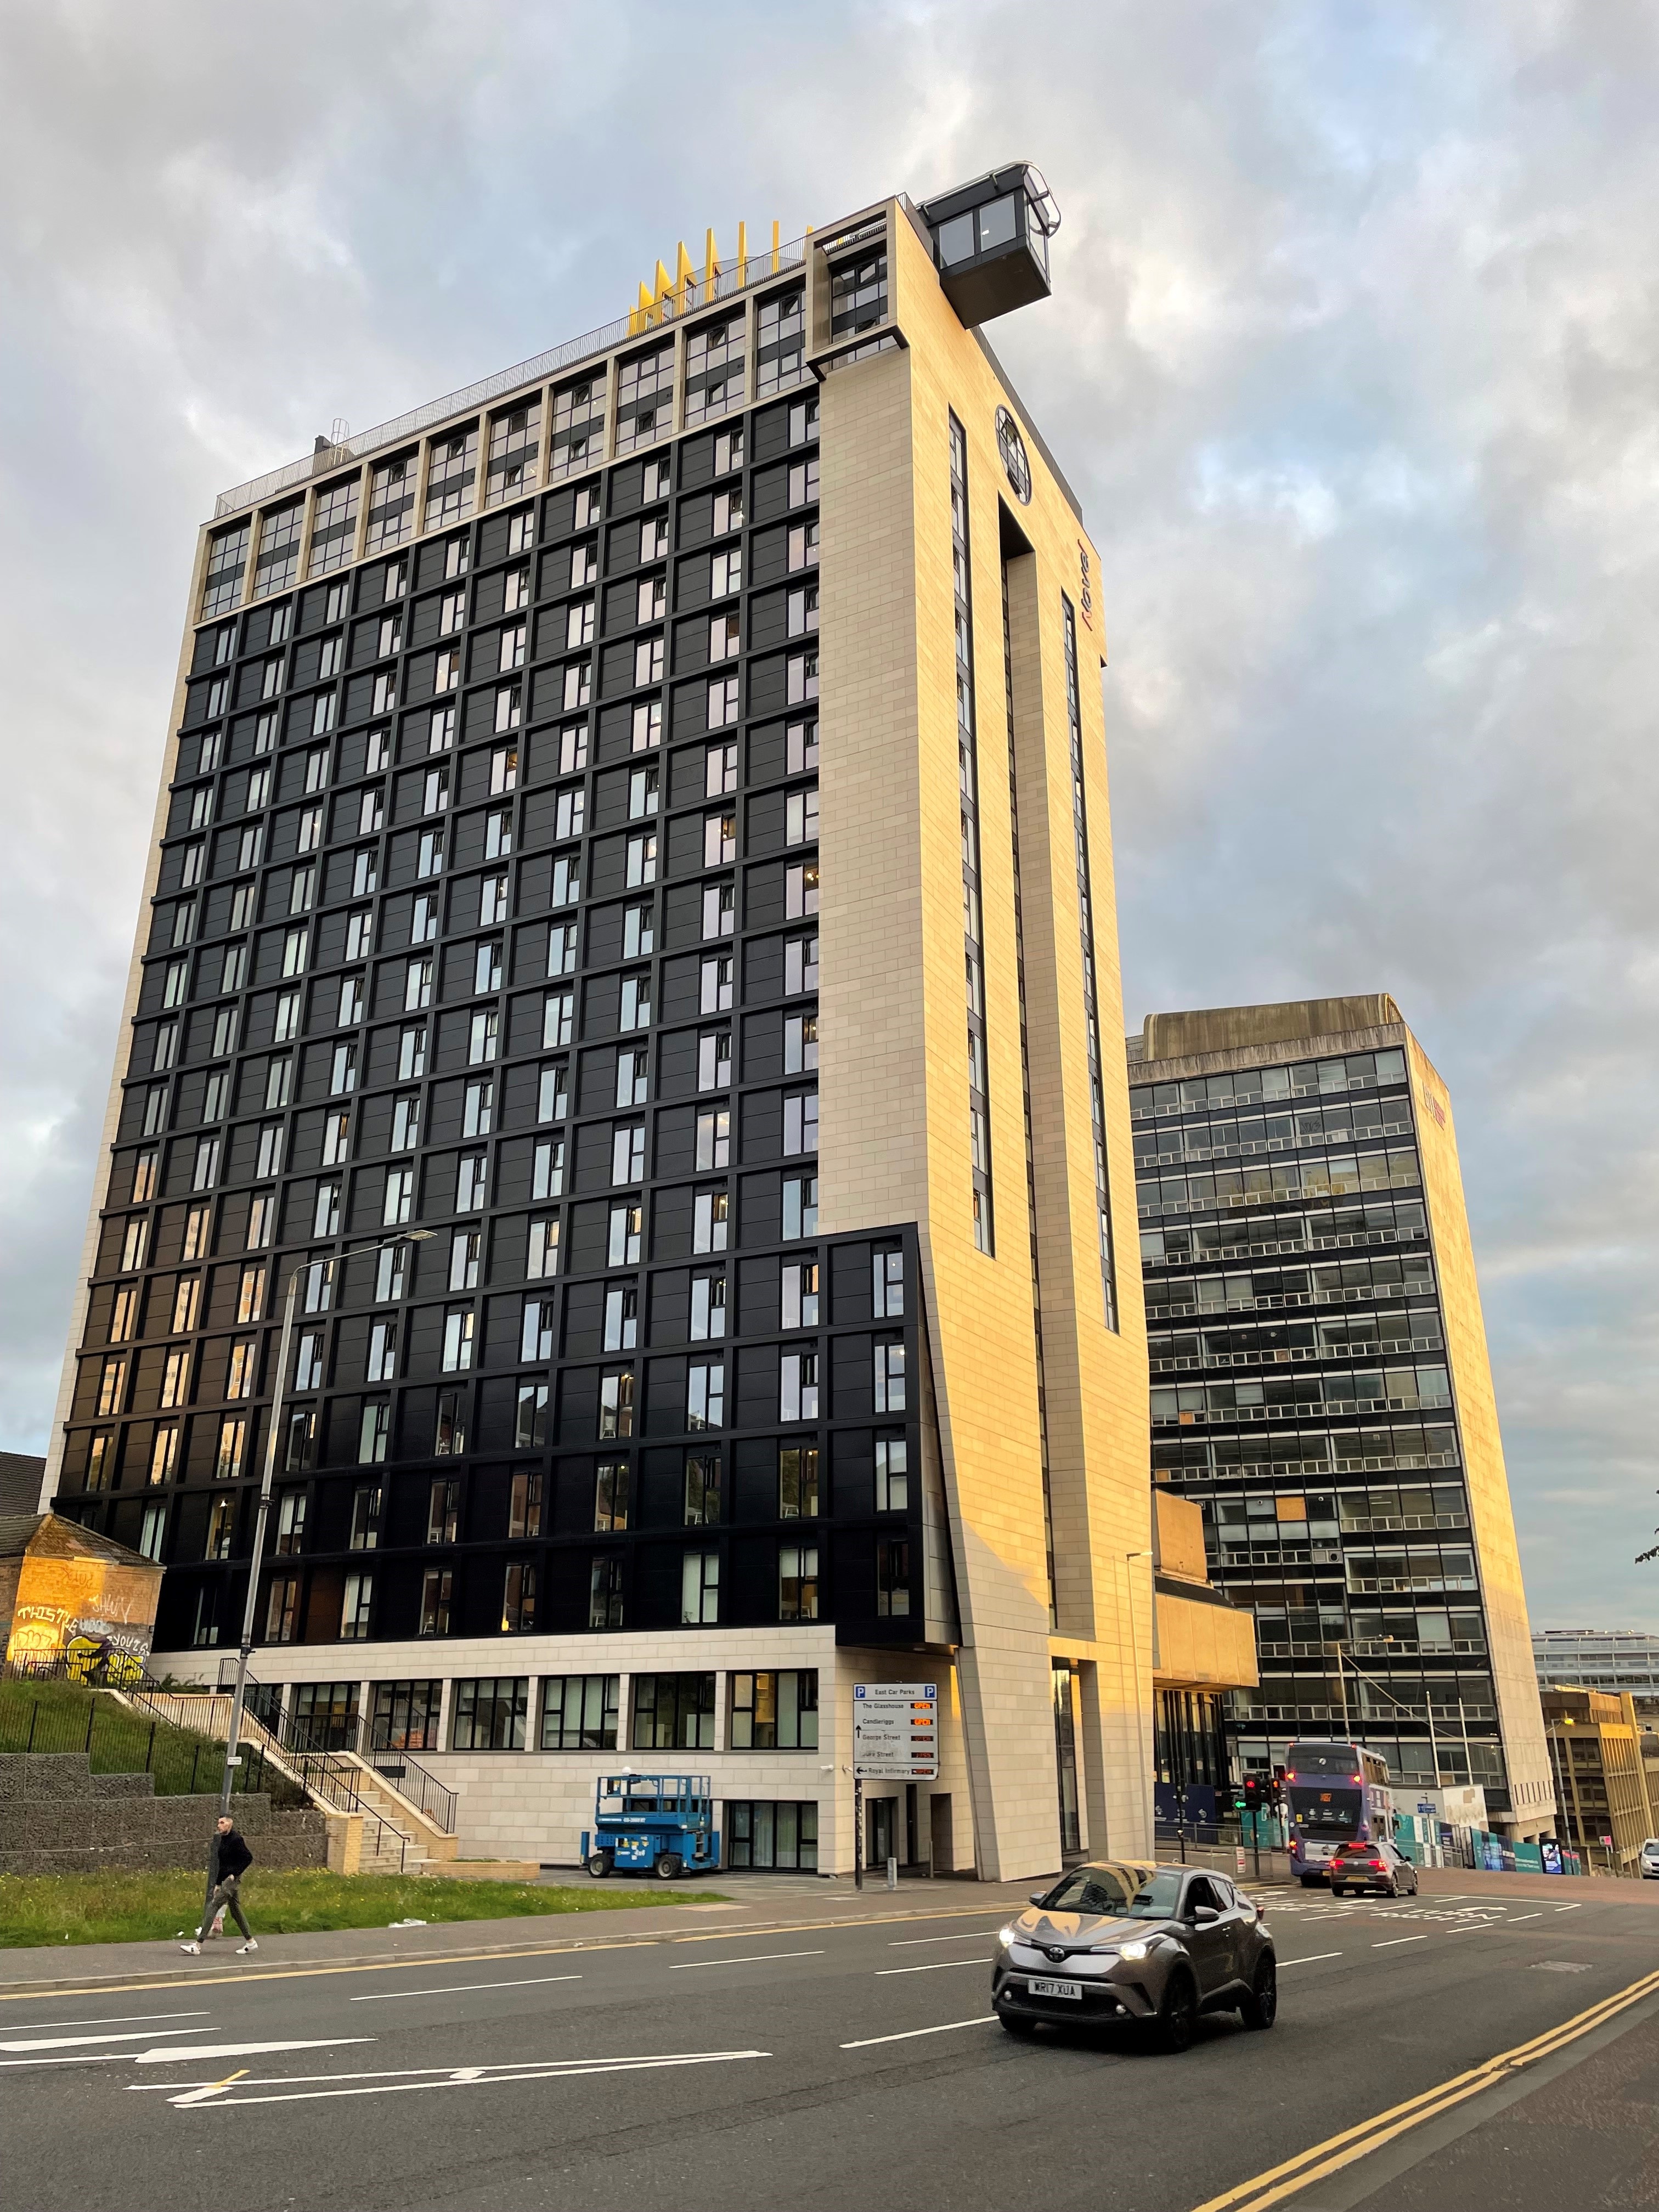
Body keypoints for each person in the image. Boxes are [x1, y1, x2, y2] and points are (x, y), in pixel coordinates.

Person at [180, 1815, 257, 1955]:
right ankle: (250, 1942)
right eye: (218, 1823)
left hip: (232, 1881)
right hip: (225, 1880)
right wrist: (217, 1883)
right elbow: (222, 1865)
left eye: (222, 1823)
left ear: (229, 1825)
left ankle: (197, 1945)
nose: (219, 1826)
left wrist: (235, 1873)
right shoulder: (223, 1841)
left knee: (214, 1905)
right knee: (235, 1911)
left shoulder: (236, 1840)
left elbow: (248, 1858)